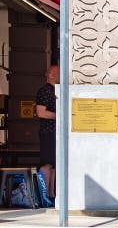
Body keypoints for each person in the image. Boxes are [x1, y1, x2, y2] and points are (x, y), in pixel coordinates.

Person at [35, 65, 59, 199]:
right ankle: (43, 196)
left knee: (54, 165)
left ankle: (51, 195)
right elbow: (41, 112)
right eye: (57, 73)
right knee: (47, 164)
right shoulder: (45, 91)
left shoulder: (56, 90)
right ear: (50, 74)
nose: (60, 75)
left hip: (56, 133)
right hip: (48, 133)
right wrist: (60, 116)